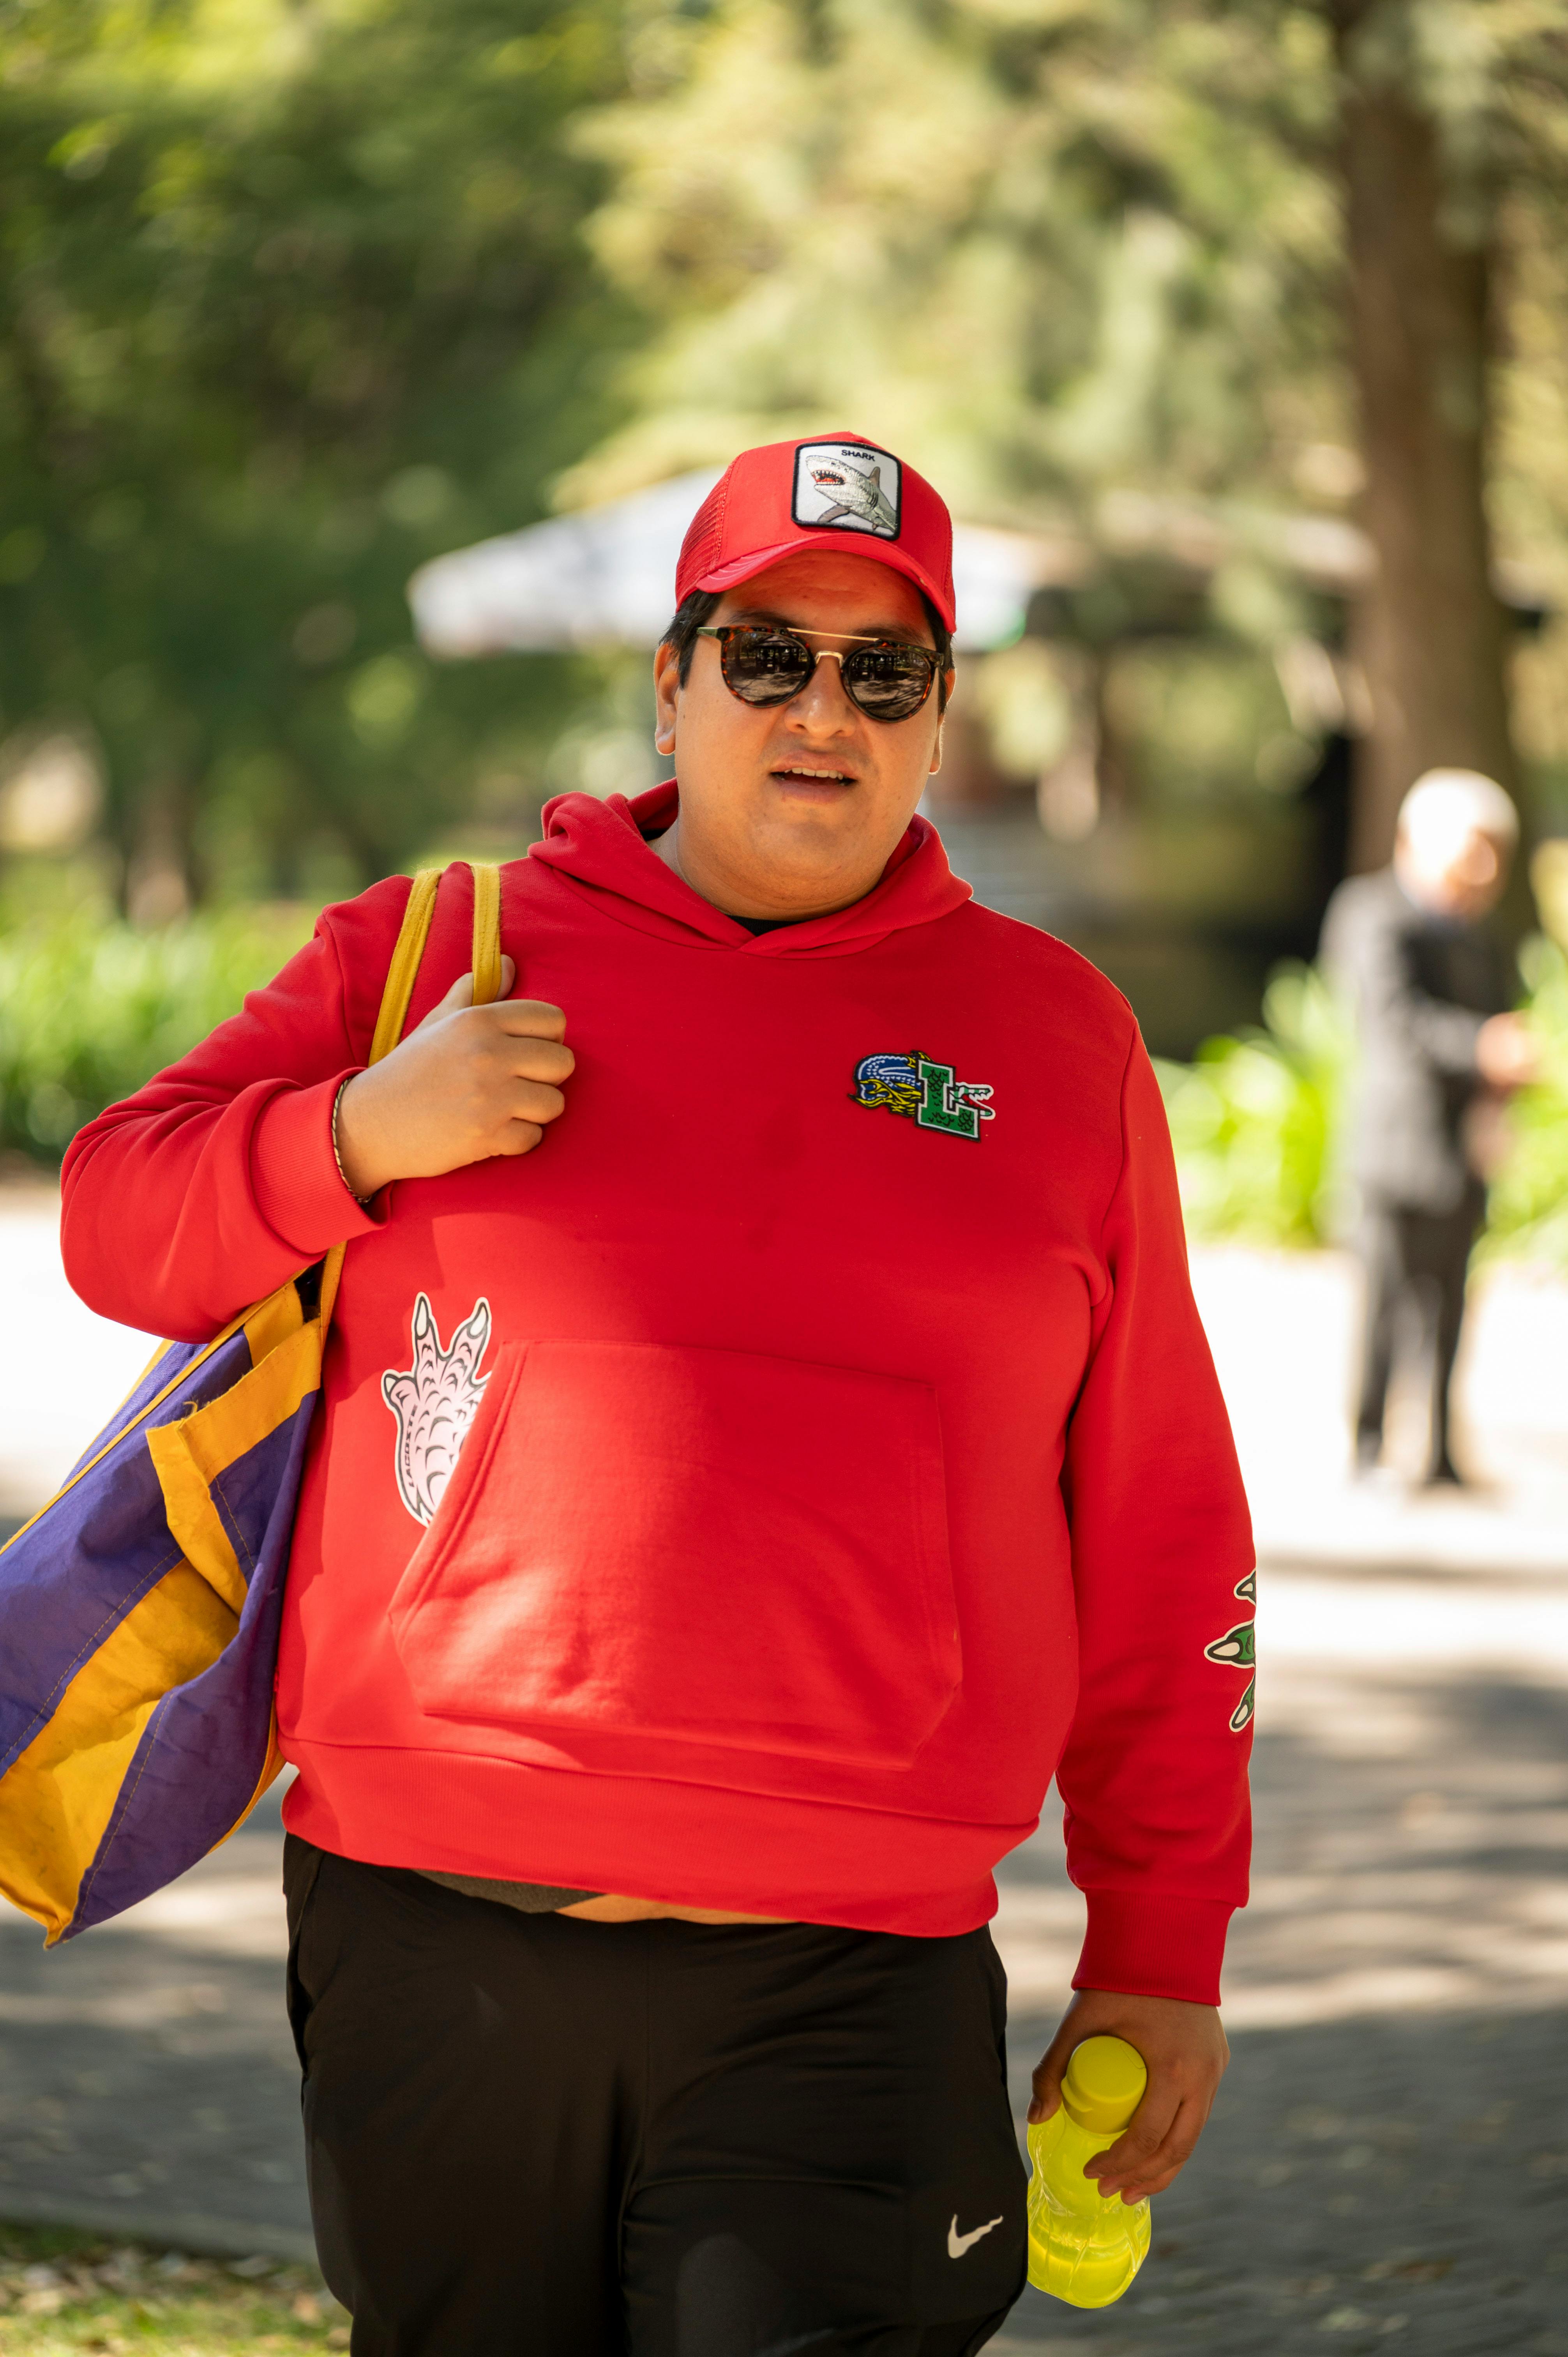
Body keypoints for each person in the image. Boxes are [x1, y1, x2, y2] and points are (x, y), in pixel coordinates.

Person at [61, 432, 1254, 2357]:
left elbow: (1160, 1522)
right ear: (670, 682)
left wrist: (1160, 1946)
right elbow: (120, 1222)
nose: (821, 711)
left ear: (939, 718)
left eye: (883, 671)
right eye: (768, 652)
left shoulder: (1056, 1039)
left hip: (848, 1974)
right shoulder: (434, 958)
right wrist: (358, 1130)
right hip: (427, 1934)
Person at [1321, 768, 1536, 1487]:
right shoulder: (1373, 912)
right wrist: (1483, 1048)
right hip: (1394, 1145)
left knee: (1453, 1303)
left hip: (1462, 1147)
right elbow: (1393, 1023)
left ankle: (1441, 1448)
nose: (1483, 869)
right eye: (1472, 849)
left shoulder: (1482, 937)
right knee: (1384, 1297)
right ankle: (1370, 1441)